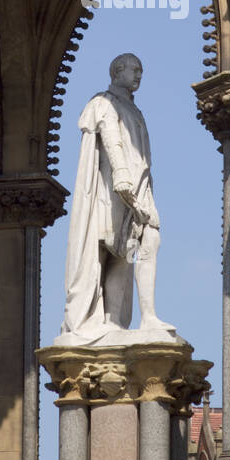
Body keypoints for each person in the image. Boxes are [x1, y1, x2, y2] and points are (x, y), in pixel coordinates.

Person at [56, 53, 176, 345]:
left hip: (140, 186)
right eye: (134, 69)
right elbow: (111, 137)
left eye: (141, 71)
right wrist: (121, 174)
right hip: (112, 189)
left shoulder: (135, 110)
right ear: (117, 71)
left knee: (147, 240)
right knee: (117, 249)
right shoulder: (103, 102)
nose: (139, 76)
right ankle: (110, 321)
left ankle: (145, 316)